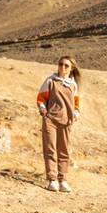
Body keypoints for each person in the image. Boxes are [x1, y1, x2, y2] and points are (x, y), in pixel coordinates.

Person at [36, 56, 81, 192]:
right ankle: (52, 179)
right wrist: (43, 111)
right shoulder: (50, 81)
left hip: (66, 122)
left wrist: (76, 114)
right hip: (51, 120)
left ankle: (63, 180)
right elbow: (41, 98)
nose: (62, 67)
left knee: (63, 151)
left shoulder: (73, 85)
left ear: (71, 68)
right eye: (60, 64)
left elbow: (77, 103)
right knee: (50, 149)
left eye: (66, 65)